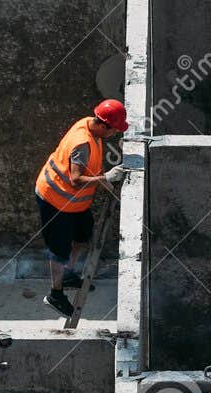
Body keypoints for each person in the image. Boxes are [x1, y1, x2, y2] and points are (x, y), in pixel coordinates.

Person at [33, 99, 128, 318]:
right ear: (104, 126)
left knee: (83, 235)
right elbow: (75, 179)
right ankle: (55, 294)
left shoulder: (90, 125)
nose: (115, 134)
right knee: (59, 251)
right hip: (55, 200)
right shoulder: (82, 143)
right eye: (114, 130)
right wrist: (106, 177)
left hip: (74, 204)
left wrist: (108, 184)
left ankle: (67, 274)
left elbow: (90, 166)